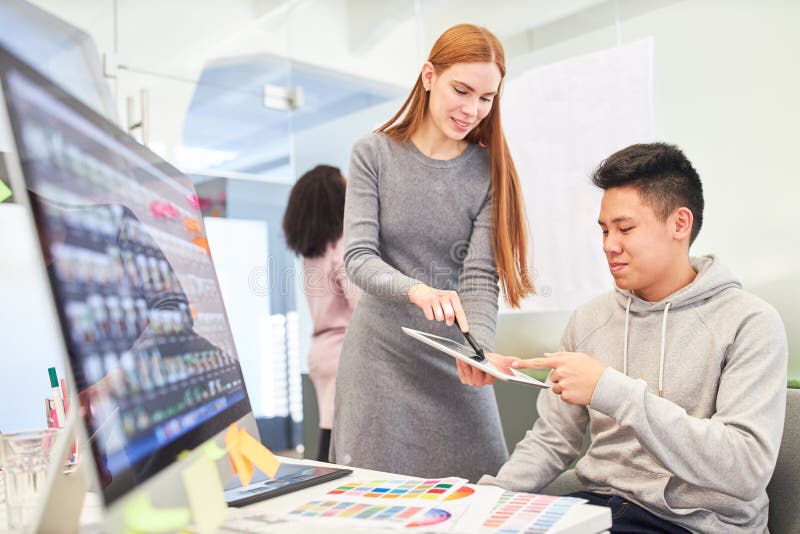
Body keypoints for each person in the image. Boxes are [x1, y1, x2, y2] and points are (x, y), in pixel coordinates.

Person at [472, 143, 788, 533]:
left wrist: (612, 390)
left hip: (695, 524)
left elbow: (746, 469)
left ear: (679, 224)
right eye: (604, 230)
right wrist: (488, 498)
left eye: (625, 229)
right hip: (600, 508)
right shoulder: (590, 319)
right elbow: (553, 439)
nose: (609, 245)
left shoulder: (750, 323)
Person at [330, 24, 535, 482]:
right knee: (376, 496)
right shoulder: (373, 154)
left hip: (452, 357)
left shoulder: (488, 172)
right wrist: (417, 290)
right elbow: (358, 257)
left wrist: (478, 351)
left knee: (486, 488)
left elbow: (479, 278)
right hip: (379, 360)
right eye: (461, 90)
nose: (472, 110)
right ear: (428, 77)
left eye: (486, 98)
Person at [283, 164, 359, 462]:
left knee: (329, 432)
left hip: (320, 350)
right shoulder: (341, 246)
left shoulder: (313, 253)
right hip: (342, 350)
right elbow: (360, 304)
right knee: (341, 442)